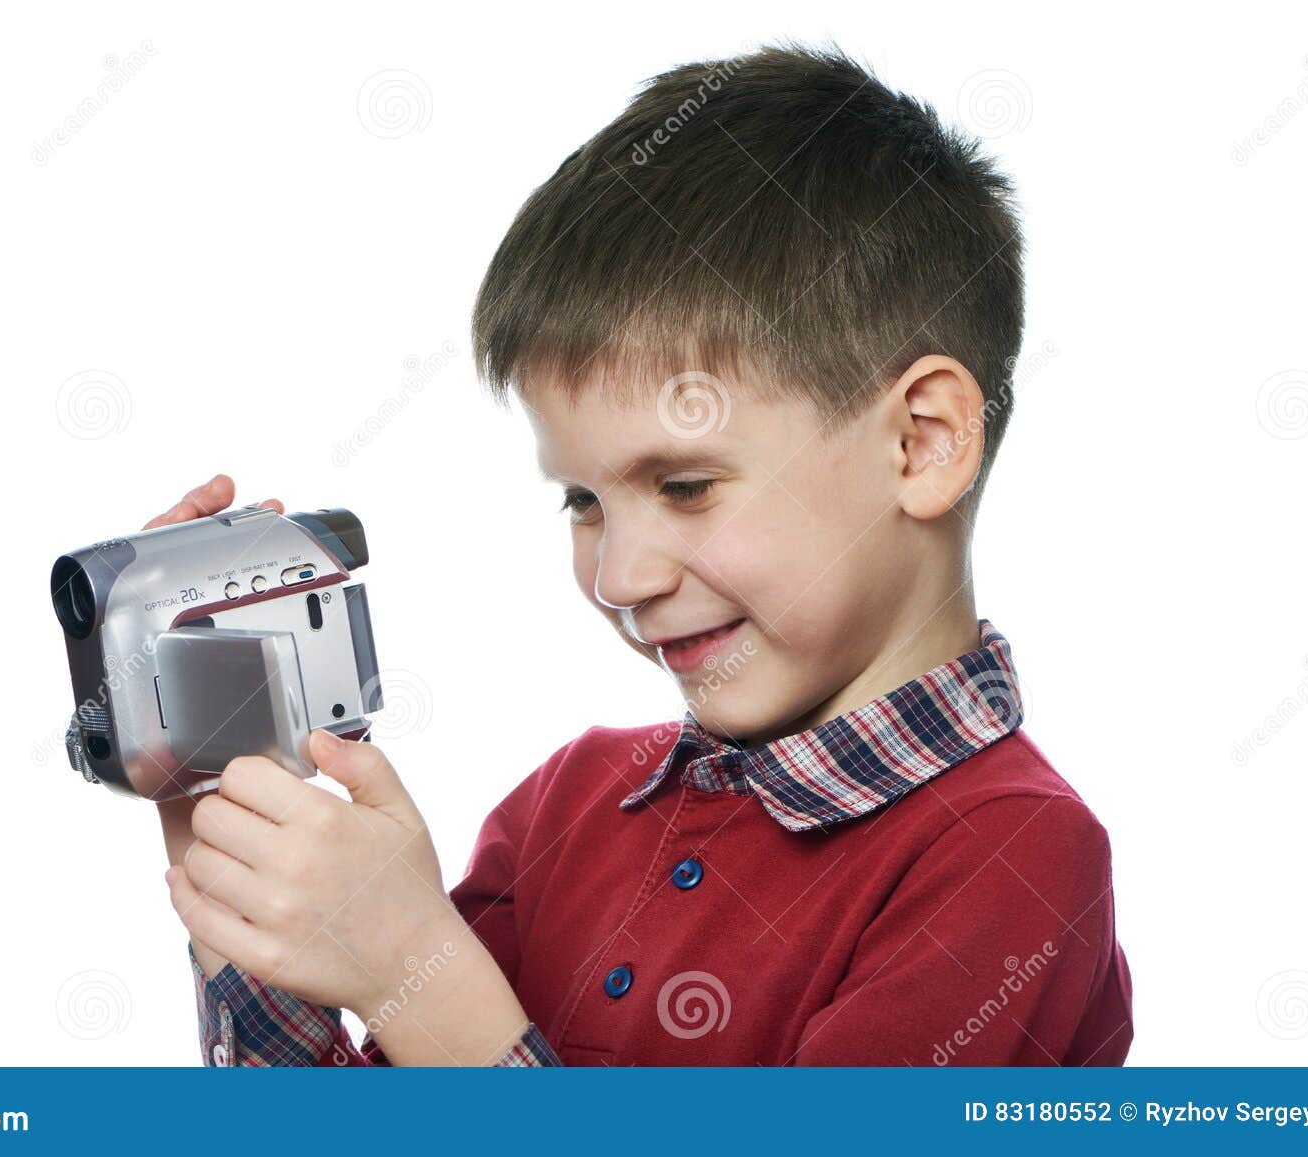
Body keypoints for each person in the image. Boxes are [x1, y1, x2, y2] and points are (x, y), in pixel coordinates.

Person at [154, 42, 1132, 1066]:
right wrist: (243, 899)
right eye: (582, 498)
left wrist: (423, 968)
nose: (620, 578)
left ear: (920, 442)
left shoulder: (1013, 857)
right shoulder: (565, 807)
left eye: (683, 486)